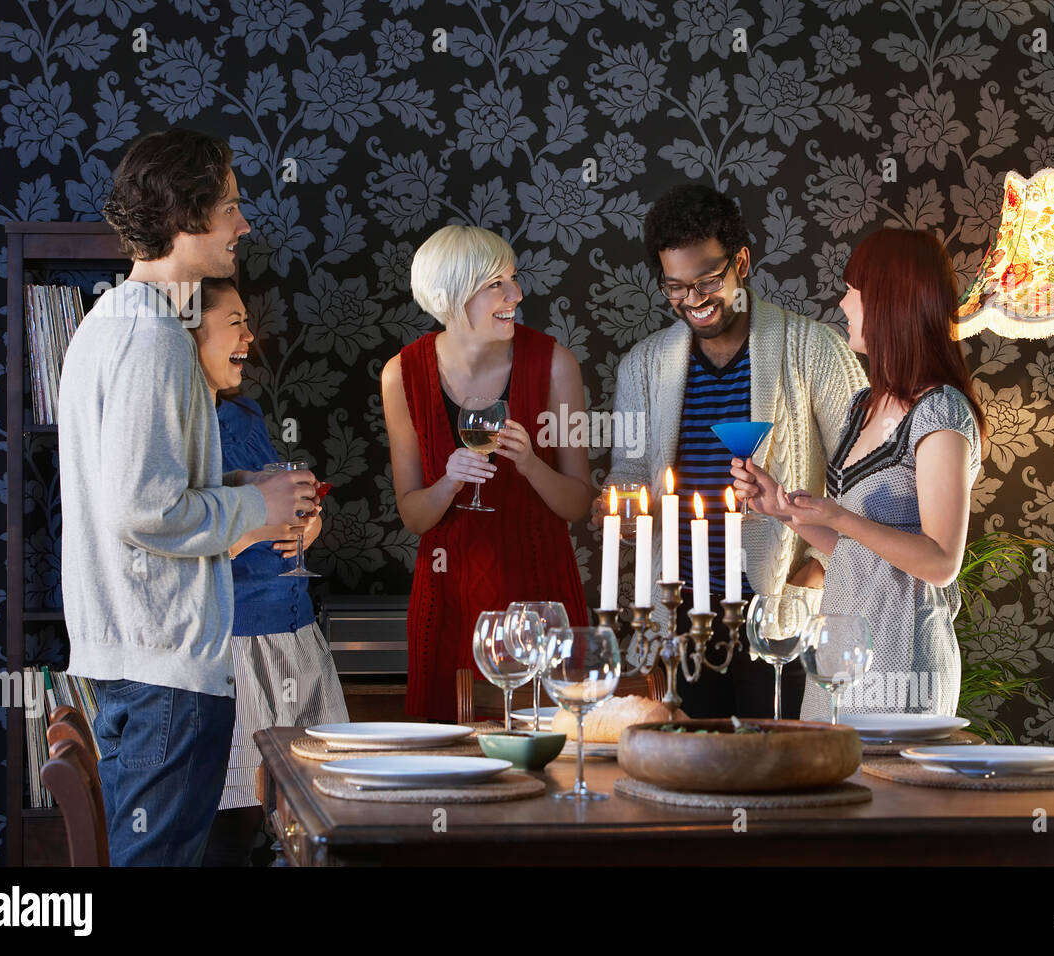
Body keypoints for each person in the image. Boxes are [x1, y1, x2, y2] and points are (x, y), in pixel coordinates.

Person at [58, 129, 315, 866]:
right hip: (165, 663)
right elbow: (144, 511)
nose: (243, 223)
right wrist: (258, 512)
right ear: (186, 213)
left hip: (136, 658)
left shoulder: (112, 321)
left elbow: (134, 488)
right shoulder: (157, 337)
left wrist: (239, 487)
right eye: (230, 206)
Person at [599, 184, 868, 719]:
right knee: (688, 776)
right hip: (680, 614)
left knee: (779, 776)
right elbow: (627, 470)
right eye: (675, 287)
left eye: (706, 281)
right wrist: (623, 506)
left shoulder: (815, 350)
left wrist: (815, 567)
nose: (693, 301)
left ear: (741, 262)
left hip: (781, 610)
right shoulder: (643, 366)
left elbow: (862, 473)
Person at [732, 228, 986, 719]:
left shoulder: (941, 414)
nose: (844, 303)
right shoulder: (861, 408)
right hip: (839, 653)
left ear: (890, 304)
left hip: (903, 662)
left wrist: (841, 518)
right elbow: (859, 556)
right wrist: (783, 509)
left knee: (885, 794)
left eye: (855, 291)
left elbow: (940, 563)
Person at [381, 225, 595, 721]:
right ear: (452, 294)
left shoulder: (555, 364)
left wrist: (530, 464)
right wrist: (450, 481)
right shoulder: (401, 375)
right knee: (444, 766)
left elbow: (578, 503)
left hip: (541, 602)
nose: (516, 295)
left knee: (553, 767)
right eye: (495, 284)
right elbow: (414, 516)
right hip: (447, 606)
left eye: (513, 279)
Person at [188, 277, 349, 867]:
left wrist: (306, 524)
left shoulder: (245, 413)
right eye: (234, 323)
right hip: (232, 651)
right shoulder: (177, 430)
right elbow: (177, 550)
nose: (249, 336)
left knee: (312, 819)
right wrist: (255, 526)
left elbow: (278, 517)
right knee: (231, 827)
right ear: (190, 334)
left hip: (296, 640)